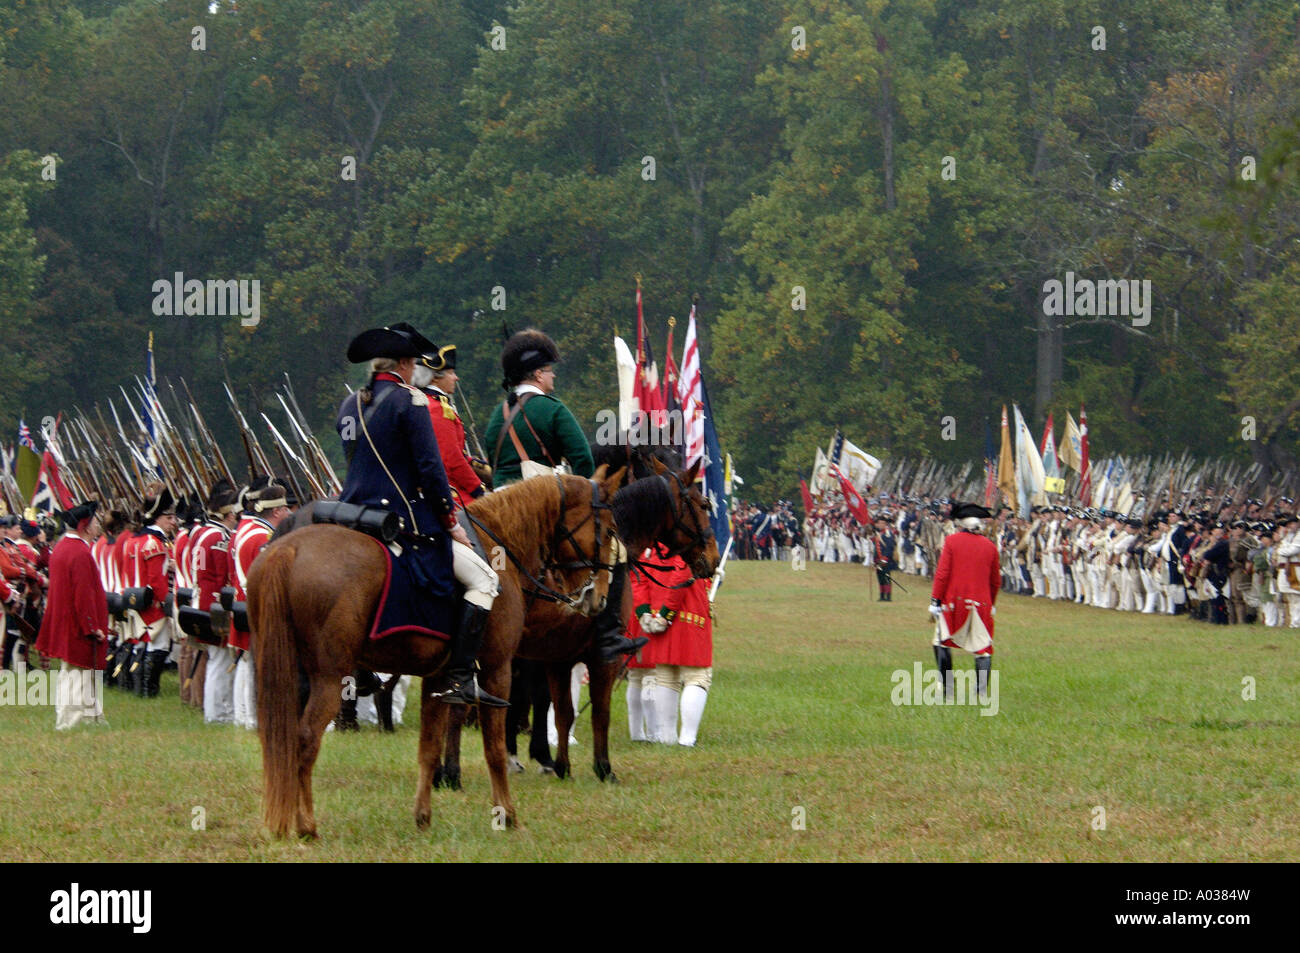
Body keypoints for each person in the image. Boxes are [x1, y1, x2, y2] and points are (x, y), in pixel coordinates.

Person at [338, 322, 507, 707]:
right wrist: (451, 524)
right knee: (484, 580)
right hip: (400, 517)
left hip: (351, 514)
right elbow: (432, 473)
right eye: (414, 363)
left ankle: (364, 661)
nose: (417, 370)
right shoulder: (410, 401)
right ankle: (461, 676)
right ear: (402, 364)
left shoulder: (351, 403)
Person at [484, 328, 644, 662]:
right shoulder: (553, 410)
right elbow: (585, 461)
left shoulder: (496, 416)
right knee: (614, 550)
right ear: (538, 375)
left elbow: (493, 461)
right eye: (550, 370)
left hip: (497, 511)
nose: (554, 375)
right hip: (543, 511)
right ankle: (607, 636)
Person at [35, 500, 110, 729]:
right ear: (85, 525)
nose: (98, 525)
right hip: (78, 624)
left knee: (74, 675)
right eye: (95, 521)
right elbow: (83, 595)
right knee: (77, 676)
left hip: (67, 621)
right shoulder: (79, 553)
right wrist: (91, 626)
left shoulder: (62, 547)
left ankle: (89, 718)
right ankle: (73, 723)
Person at [232, 479, 298, 728]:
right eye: (286, 510)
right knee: (254, 662)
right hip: (258, 602)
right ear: (277, 511)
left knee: (246, 660)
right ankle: (251, 717)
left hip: (245, 601)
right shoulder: (263, 536)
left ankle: (243, 715)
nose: (289, 514)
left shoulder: (247, 530)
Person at [632, 543, 714, 746]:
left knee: (666, 678)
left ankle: (668, 738)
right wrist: (665, 614)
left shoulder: (649, 547)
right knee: (698, 677)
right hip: (686, 614)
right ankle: (687, 738)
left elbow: (638, 578)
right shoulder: (682, 542)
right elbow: (682, 574)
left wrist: (644, 613)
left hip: (656, 617)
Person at [930, 501, 1000, 700]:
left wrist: (935, 600)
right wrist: (992, 603)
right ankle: (981, 692)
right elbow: (995, 581)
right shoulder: (990, 547)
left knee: (941, 641)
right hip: (982, 603)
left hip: (955, 601)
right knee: (982, 649)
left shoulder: (952, 541)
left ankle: (947, 687)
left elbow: (942, 574)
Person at [190, 478, 240, 724]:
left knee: (216, 662)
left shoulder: (203, 533)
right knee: (221, 662)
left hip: (203, 602)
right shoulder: (219, 538)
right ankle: (219, 713)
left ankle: (215, 712)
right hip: (215, 606)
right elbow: (224, 578)